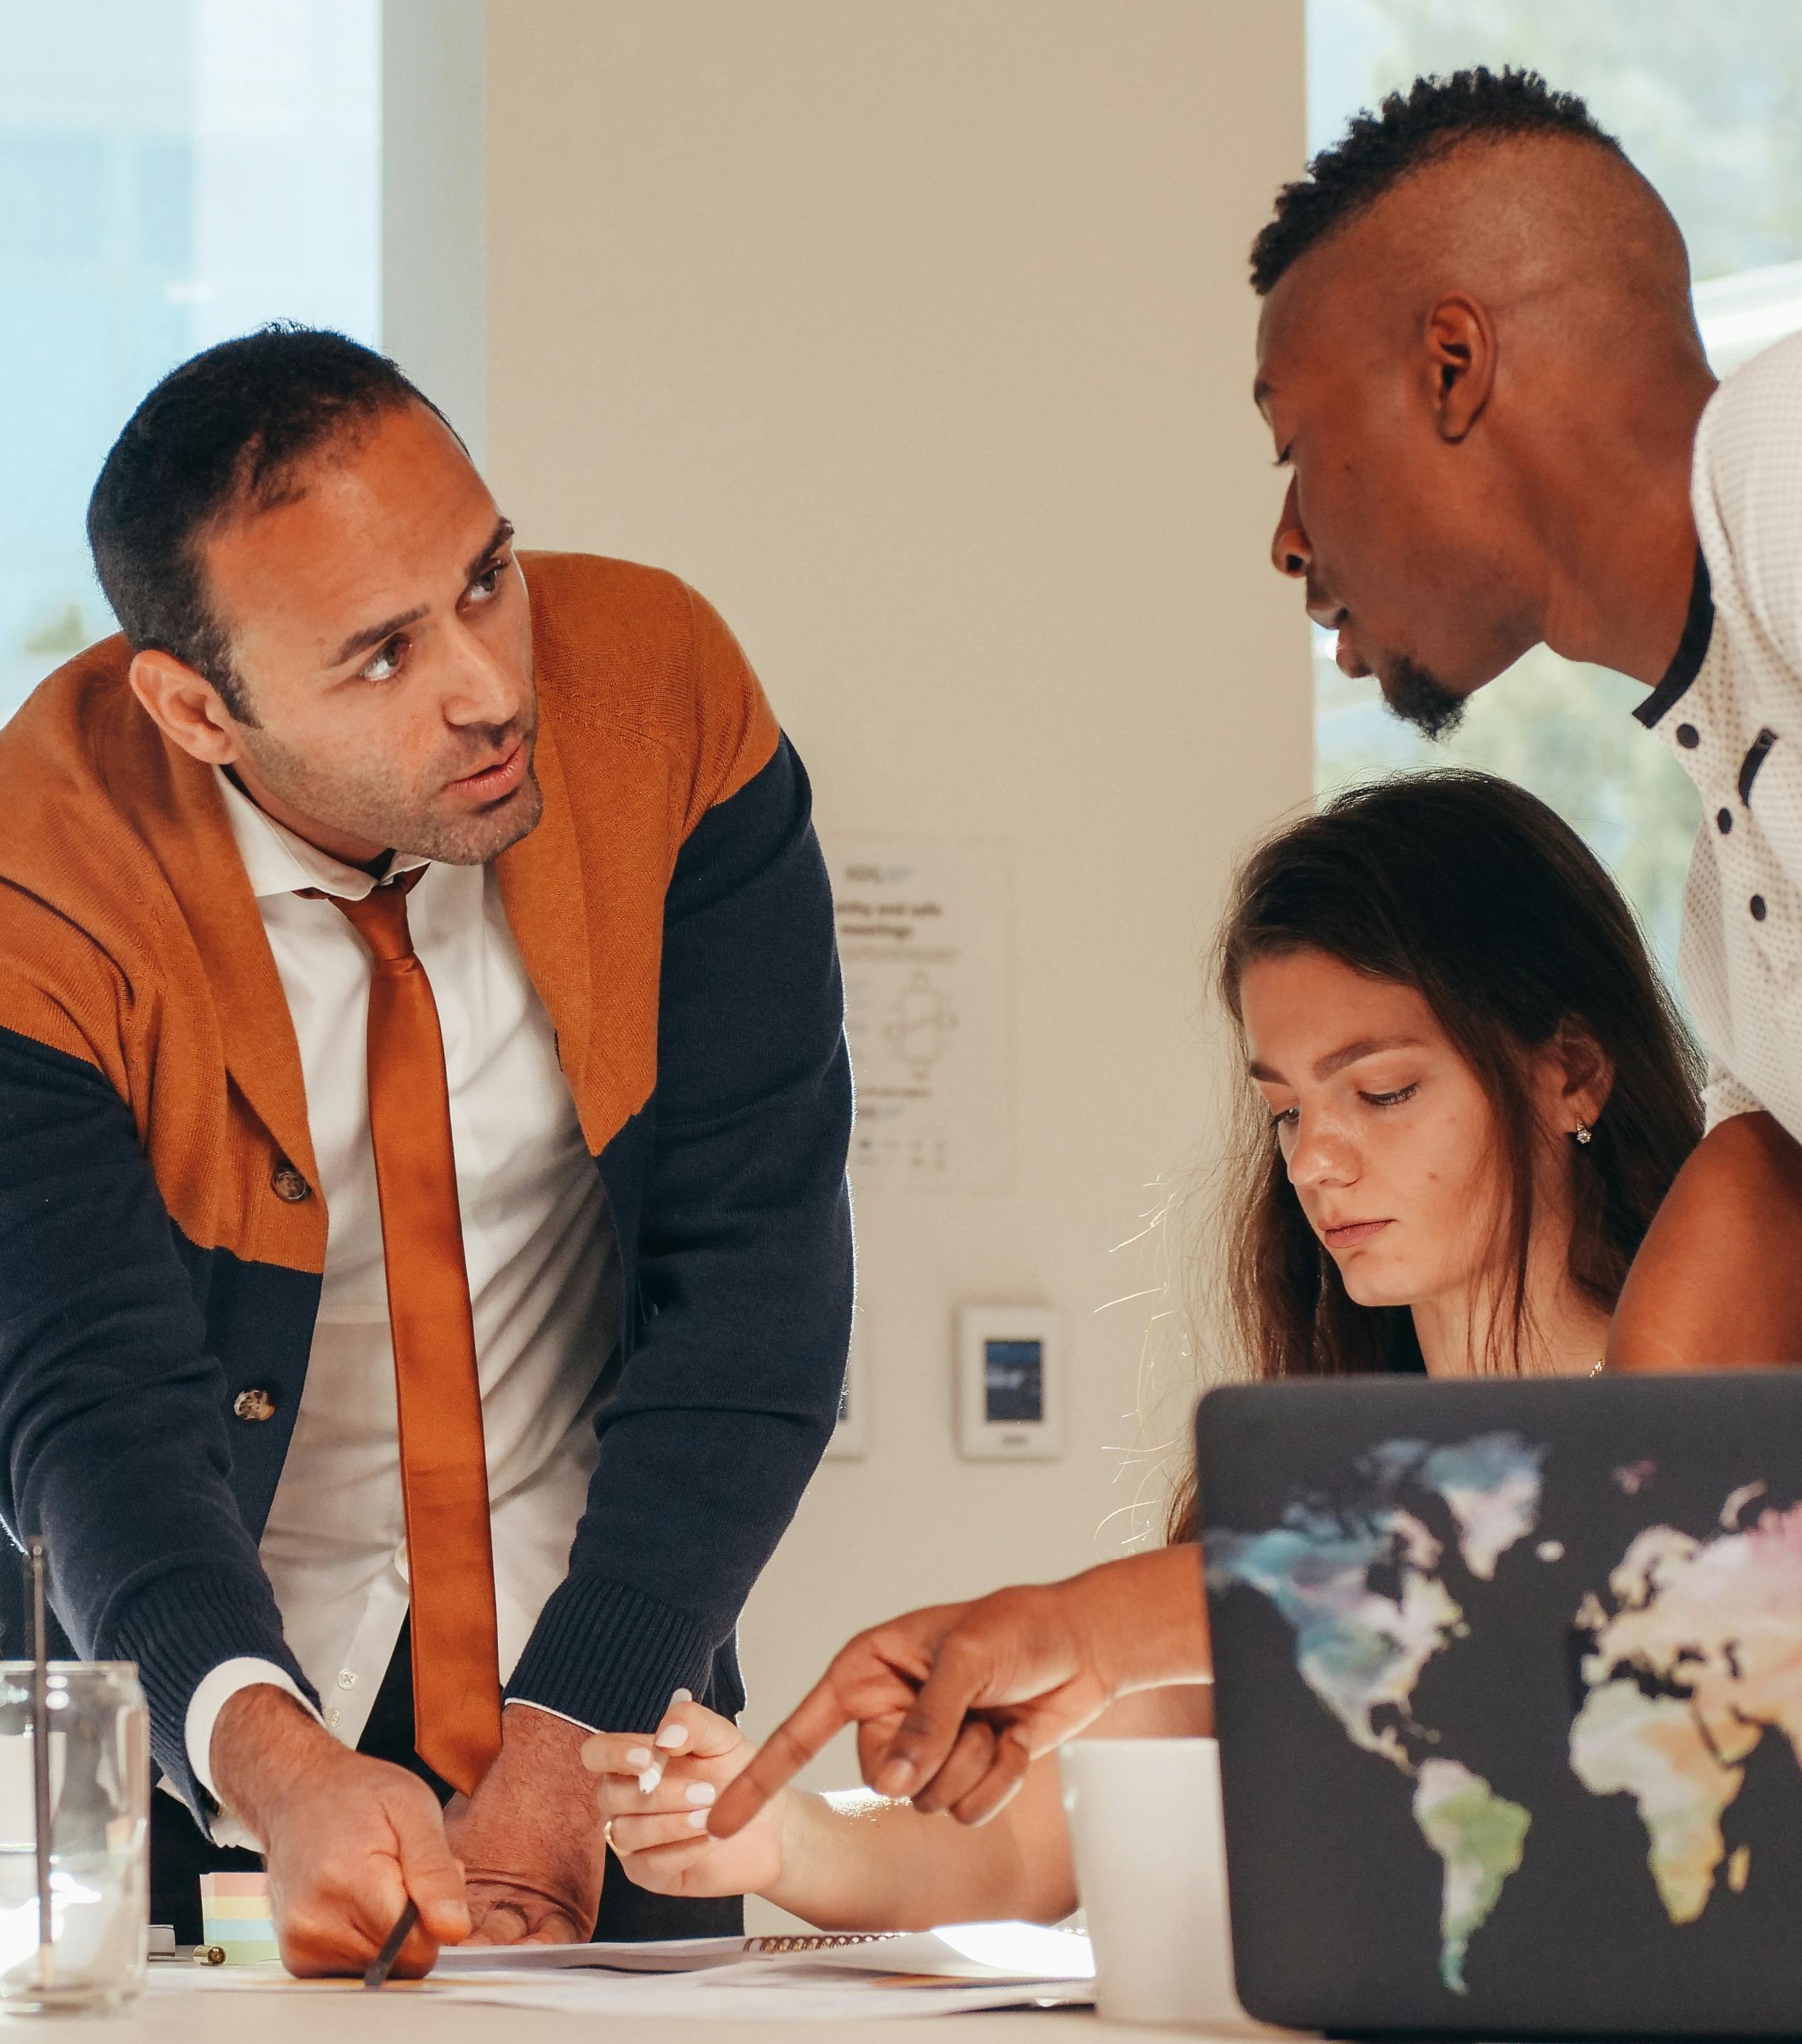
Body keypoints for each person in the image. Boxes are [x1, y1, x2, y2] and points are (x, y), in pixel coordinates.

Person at [723, 62, 1802, 1979]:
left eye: (1295, 441)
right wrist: (1090, 1623)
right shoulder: (1758, 925)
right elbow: (1620, 1490)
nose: (1286, 536)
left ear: (1452, 366)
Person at [0, 326, 852, 1977]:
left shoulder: (665, 707)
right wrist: (271, 1759)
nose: (489, 684)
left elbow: (758, 1284)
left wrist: (575, 1730)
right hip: (172, 1702)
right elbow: (88, 1409)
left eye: (485, 580)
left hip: (602, 1674)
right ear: (198, 708)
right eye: (383, 655)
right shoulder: (9, 904)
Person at [608, 769, 1722, 1923]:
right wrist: (774, 1833)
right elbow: (1028, 1840)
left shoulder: (1732, 1451)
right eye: (1286, 1109)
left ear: (1572, 1070)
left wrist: (1096, 1624)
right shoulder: (1291, 1501)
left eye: (1383, 1091)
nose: (1315, 1159)